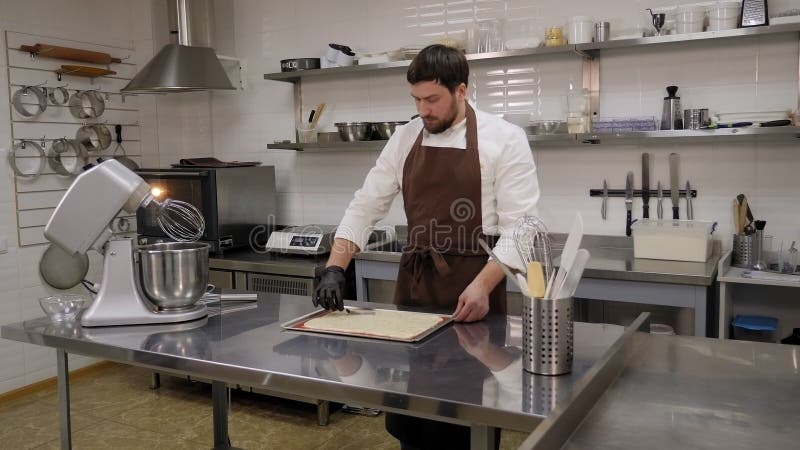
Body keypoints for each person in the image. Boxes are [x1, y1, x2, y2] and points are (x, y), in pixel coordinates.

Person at [313, 44, 540, 449]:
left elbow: (523, 228)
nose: (423, 110)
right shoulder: (404, 139)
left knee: (471, 414)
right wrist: (335, 266)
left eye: (432, 100)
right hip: (415, 291)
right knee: (415, 417)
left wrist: (484, 285)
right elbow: (366, 205)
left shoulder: (505, 139)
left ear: (462, 90)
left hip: (475, 295)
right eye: (416, 100)